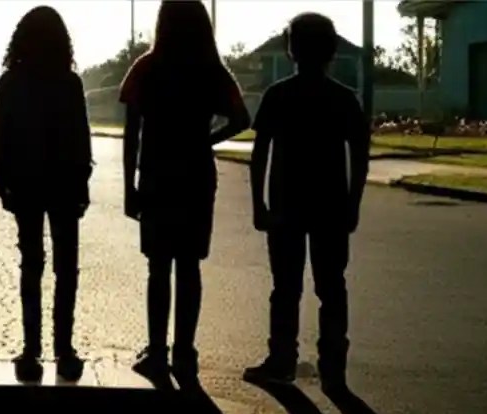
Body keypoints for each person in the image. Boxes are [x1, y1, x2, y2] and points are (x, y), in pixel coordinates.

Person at [120, 0, 250, 386]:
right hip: (196, 174)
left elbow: (132, 135)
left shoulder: (146, 68)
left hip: (158, 175)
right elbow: (241, 119)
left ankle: (156, 352)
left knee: (158, 267)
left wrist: (130, 185)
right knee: (190, 265)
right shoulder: (211, 71)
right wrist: (207, 139)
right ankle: (185, 351)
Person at [243, 12, 370, 392]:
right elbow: (361, 157)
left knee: (285, 287)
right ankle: (333, 364)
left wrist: (257, 204)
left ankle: (282, 358)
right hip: (331, 206)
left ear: (291, 49)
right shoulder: (344, 100)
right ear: (332, 50)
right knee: (332, 286)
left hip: (286, 206)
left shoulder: (278, 96)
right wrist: (353, 203)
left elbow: (259, 154)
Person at [0, 5, 93, 383]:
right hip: (64, 182)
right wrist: (83, 182)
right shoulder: (69, 82)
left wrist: (0, 181)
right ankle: (64, 349)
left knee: (30, 265)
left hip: (26, 181)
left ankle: (31, 349)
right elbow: (81, 138)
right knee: (66, 268)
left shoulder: (11, 81)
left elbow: (0, 133)